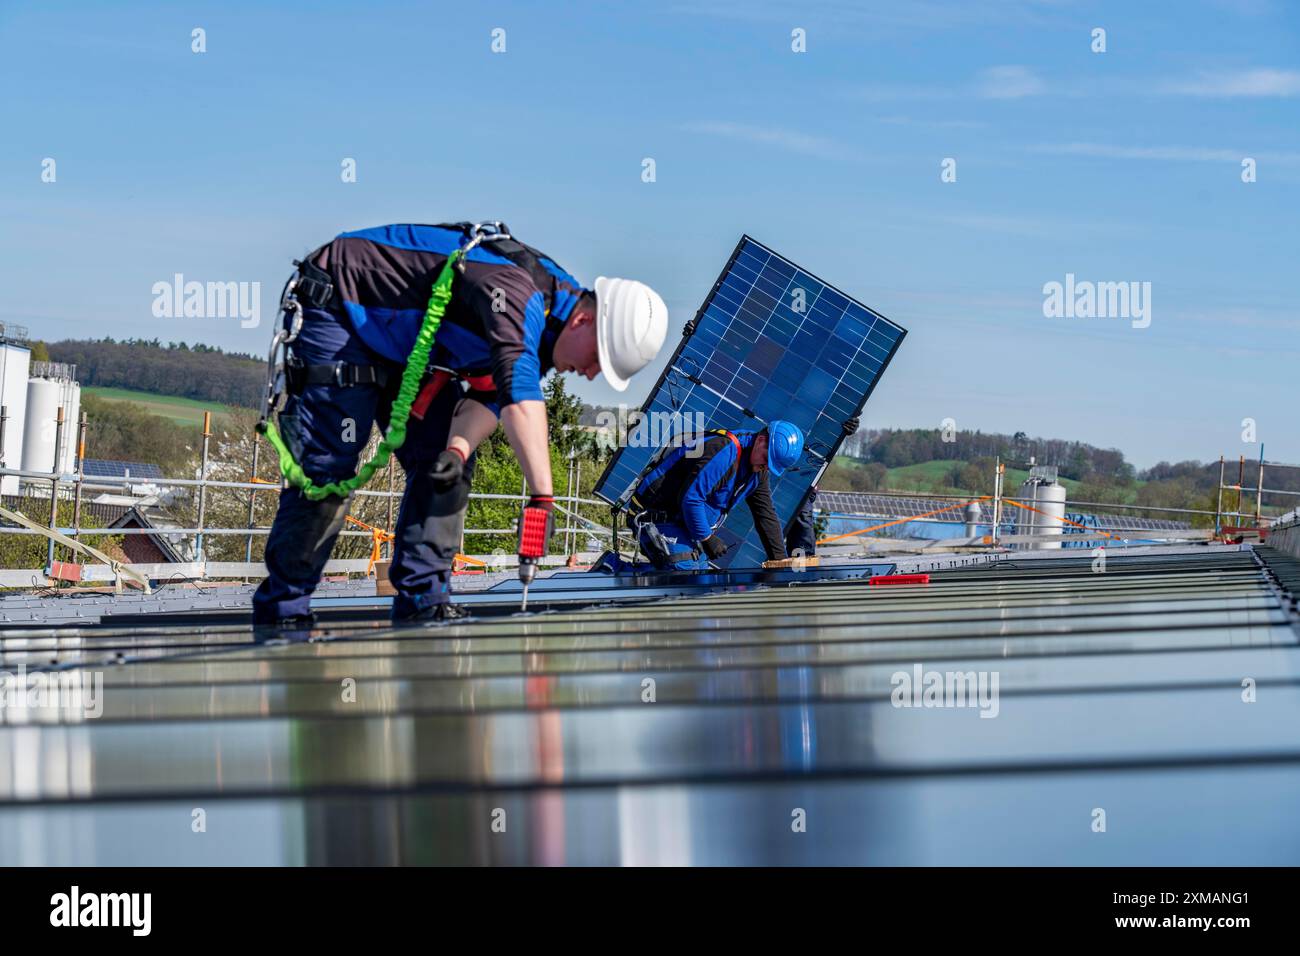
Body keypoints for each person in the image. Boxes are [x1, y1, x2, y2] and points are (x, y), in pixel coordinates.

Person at [252, 222, 667, 629]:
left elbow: (487, 394)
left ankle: (423, 599)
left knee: (442, 466)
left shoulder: (543, 327)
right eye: (598, 359)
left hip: (406, 347)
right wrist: (542, 496)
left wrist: (457, 451)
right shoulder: (517, 293)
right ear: (583, 322)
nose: (591, 374)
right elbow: (516, 394)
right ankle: (284, 609)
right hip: (343, 306)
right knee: (330, 464)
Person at [627, 421, 805, 570]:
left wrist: (780, 562)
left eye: (771, 466)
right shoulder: (724, 451)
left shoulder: (758, 471)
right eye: (766, 460)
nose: (766, 467)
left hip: (686, 526)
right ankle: (611, 569)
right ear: (760, 440)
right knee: (684, 577)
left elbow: (765, 514)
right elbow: (691, 499)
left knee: (704, 584)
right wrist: (707, 538)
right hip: (656, 518)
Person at [785, 484, 818, 558]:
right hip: (797, 485)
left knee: (801, 519)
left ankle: (803, 559)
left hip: (802, 485)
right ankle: (800, 559)